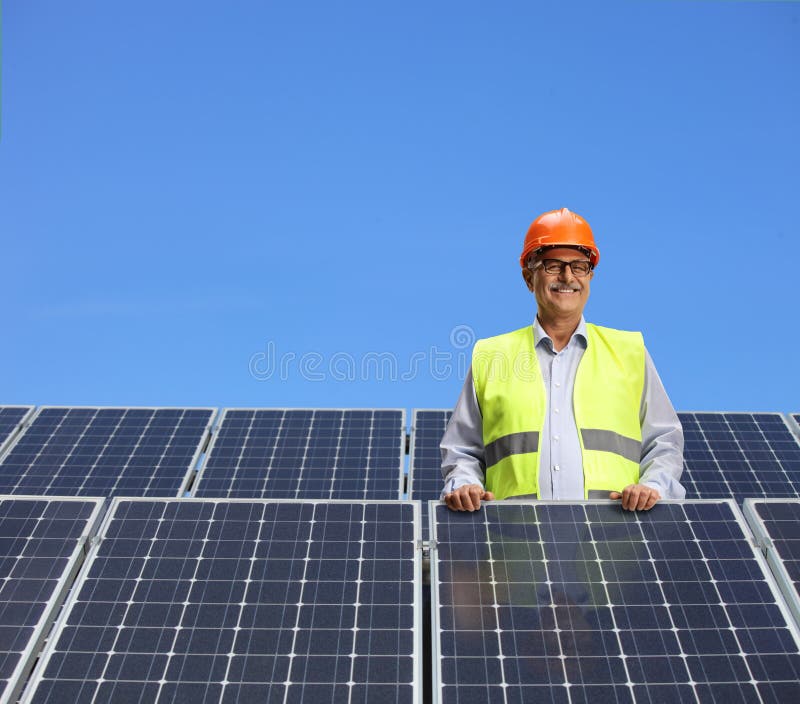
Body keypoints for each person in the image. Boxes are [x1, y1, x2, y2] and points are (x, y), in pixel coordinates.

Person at [441, 207, 684, 512]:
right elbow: (462, 450)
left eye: (579, 266)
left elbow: (664, 441)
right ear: (529, 278)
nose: (567, 276)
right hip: (513, 546)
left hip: (615, 545)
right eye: (553, 265)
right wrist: (464, 485)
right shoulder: (491, 356)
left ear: (590, 276)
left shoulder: (630, 351)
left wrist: (653, 487)